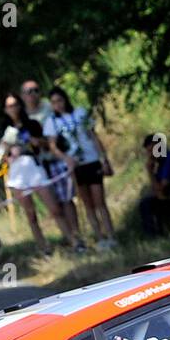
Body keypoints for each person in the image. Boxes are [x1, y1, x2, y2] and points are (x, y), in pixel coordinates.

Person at [0, 94, 77, 256]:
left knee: (55, 208)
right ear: (5, 110)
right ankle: (44, 248)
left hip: (36, 170)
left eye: (15, 104)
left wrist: (37, 142)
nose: (13, 108)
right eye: (9, 106)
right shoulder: (4, 130)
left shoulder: (31, 124)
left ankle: (73, 240)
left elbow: (47, 145)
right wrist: (7, 152)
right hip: (17, 175)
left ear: (20, 105)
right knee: (30, 214)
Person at [44, 86, 117, 249]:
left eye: (60, 100)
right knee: (87, 204)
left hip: (91, 160)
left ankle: (111, 235)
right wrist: (66, 158)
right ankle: (99, 237)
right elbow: (53, 146)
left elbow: (93, 136)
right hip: (75, 166)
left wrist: (104, 159)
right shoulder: (52, 122)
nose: (58, 105)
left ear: (65, 99)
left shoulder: (80, 113)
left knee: (99, 201)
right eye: (54, 102)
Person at [22, 80, 84, 253]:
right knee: (54, 206)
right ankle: (67, 238)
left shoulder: (49, 108)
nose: (33, 94)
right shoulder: (23, 116)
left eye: (36, 90)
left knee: (67, 200)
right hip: (38, 166)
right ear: (23, 95)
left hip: (56, 159)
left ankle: (77, 239)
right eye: (28, 91)